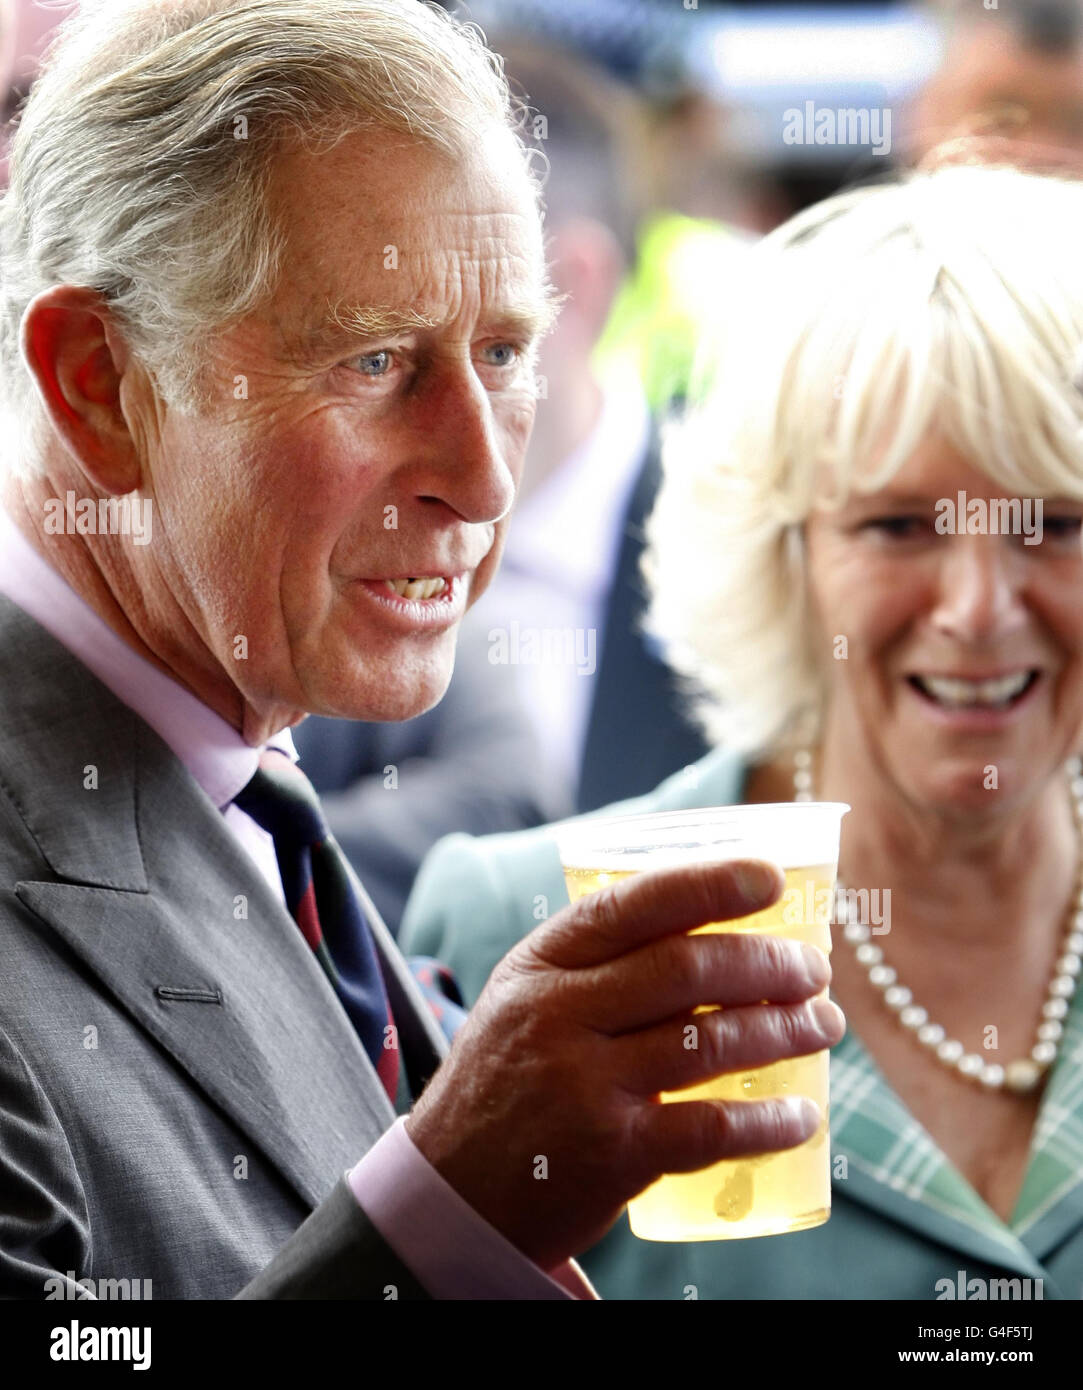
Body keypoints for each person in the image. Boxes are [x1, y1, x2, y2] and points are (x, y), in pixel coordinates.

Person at [0, 0, 843, 1300]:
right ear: (100, 381)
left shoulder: (242, 770)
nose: (488, 478)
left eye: (505, 350)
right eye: (376, 359)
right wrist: (445, 1208)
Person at [402, 157, 1083, 1299]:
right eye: (902, 524)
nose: (976, 608)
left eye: (1054, 523)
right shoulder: (534, 925)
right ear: (787, 551)